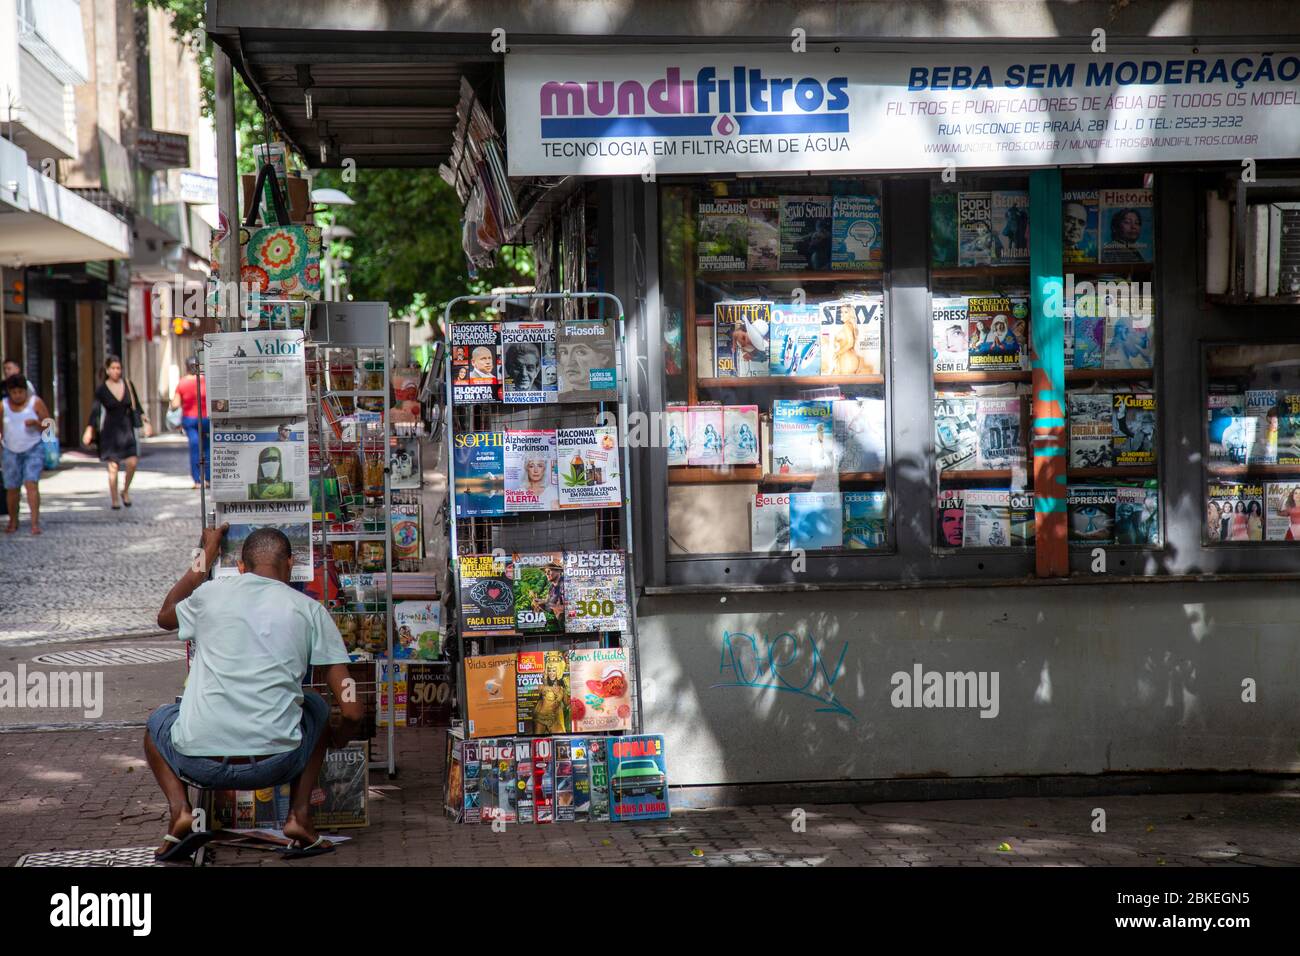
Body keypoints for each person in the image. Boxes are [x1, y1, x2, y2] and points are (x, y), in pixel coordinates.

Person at [146, 525, 363, 861]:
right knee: (317, 708)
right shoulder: (309, 610)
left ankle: (180, 812)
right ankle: (300, 819)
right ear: (291, 563)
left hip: (198, 764)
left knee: (158, 720)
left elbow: (165, 615)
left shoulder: (209, 595)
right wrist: (338, 737)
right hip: (276, 764)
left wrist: (205, 555)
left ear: (241, 568)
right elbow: (351, 709)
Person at [81, 355, 151, 510]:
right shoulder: (101, 390)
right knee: (113, 467)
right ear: (107, 370)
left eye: (118, 368)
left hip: (126, 430)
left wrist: (146, 422)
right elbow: (95, 412)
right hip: (110, 431)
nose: (116, 371)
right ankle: (114, 499)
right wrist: (89, 430)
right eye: (112, 368)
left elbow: (137, 406)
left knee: (132, 462)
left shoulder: (128, 384)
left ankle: (125, 490)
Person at [2, 375, 51, 535]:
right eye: (14, 392)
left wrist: (37, 424)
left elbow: (49, 427)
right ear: (9, 392)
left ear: (26, 391)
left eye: (20, 392)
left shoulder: (35, 402)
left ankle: (35, 522)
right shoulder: (3, 406)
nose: (17, 395)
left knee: (31, 483)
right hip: (10, 450)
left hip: (33, 449)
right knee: (12, 488)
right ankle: (12, 521)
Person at [170, 357, 209, 489]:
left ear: (186, 367)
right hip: (206, 420)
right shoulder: (205, 381)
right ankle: (209, 479)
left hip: (190, 421)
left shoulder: (182, 383)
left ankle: (198, 481)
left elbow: (175, 405)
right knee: (208, 448)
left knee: (194, 449)